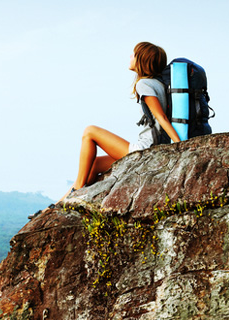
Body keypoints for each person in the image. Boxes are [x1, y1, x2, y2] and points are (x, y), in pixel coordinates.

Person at [60, 42, 182, 203]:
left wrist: (181, 146)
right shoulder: (160, 84)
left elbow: (161, 118)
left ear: (142, 60)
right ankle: (57, 205)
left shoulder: (143, 84)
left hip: (144, 151)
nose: (130, 57)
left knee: (89, 131)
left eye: (133, 54)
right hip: (154, 149)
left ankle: (75, 192)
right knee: (94, 164)